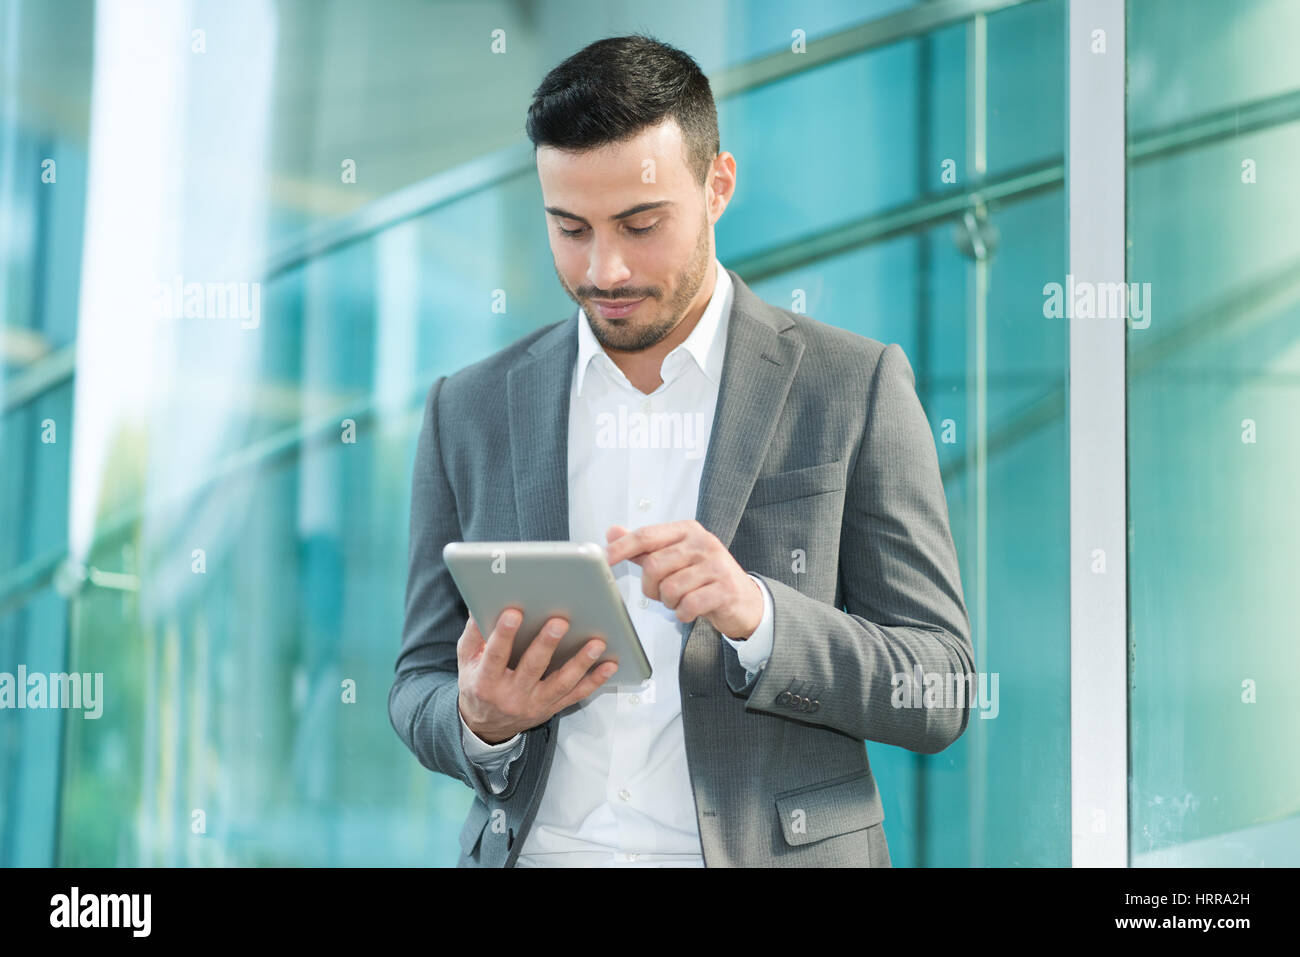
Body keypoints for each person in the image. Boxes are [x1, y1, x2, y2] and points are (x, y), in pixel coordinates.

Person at [389, 33, 974, 867]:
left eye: (640, 223)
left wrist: (758, 616)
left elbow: (942, 686)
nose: (606, 268)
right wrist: (481, 719)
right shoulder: (469, 408)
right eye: (570, 228)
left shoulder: (855, 385)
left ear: (718, 186)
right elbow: (415, 684)